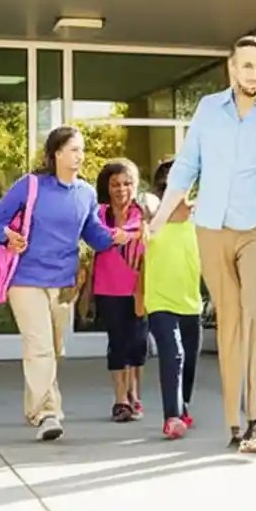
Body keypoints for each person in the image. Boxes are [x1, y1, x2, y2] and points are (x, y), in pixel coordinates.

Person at [148, 34, 256, 454]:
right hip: (212, 227)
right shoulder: (208, 111)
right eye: (248, 66)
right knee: (230, 322)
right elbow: (186, 169)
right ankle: (233, 423)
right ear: (232, 69)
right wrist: (160, 219)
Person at [0, 126, 132, 442]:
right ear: (56, 153)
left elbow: (92, 234)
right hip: (25, 280)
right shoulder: (31, 185)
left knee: (51, 350)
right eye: (74, 150)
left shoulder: (86, 193)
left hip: (63, 283)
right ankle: (48, 414)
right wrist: (9, 238)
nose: (80, 156)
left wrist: (114, 237)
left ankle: (36, 408)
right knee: (39, 348)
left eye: (82, 150)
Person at [139, 158, 202, 440]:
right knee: (173, 354)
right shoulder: (152, 215)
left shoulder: (199, 216)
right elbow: (149, 201)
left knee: (188, 360)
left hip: (190, 302)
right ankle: (172, 416)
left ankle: (182, 407)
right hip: (160, 301)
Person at [92, 159, 149, 423]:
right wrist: (117, 235)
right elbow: (94, 236)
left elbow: (147, 234)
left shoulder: (144, 213)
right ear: (107, 186)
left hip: (139, 287)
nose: (121, 189)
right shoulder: (99, 214)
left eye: (127, 183)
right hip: (108, 286)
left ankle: (134, 393)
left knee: (137, 343)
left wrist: (128, 234)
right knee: (117, 342)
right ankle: (121, 399)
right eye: (115, 184)